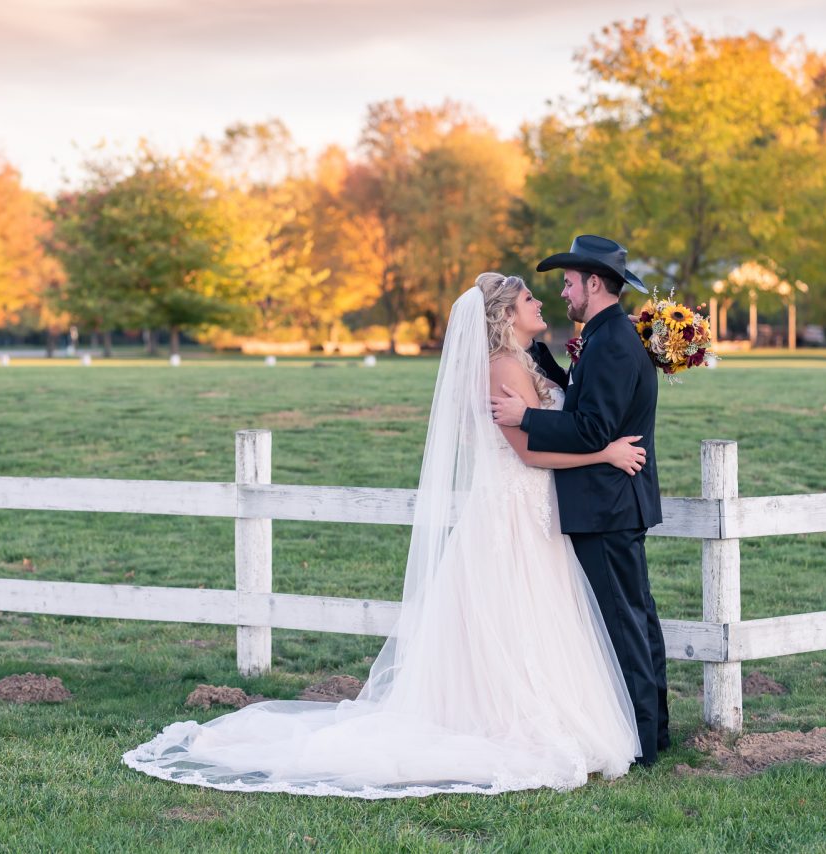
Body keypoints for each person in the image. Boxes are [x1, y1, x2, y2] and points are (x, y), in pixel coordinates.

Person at [123, 273, 645, 798]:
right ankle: (507, 721)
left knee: (534, 621)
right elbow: (529, 453)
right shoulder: (502, 367)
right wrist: (606, 453)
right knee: (513, 619)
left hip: (532, 514)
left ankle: (539, 713)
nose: (543, 302)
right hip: (510, 516)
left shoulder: (527, 360)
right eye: (530, 298)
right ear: (506, 315)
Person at [491, 235, 670, 765]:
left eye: (569, 283)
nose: (563, 293)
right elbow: (591, 403)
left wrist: (526, 417)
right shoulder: (605, 336)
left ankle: (641, 741)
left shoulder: (613, 341)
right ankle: (652, 731)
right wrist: (548, 365)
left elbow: (593, 427)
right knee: (635, 617)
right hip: (609, 502)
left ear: (594, 283)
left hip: (609, 504)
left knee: (625, 622)